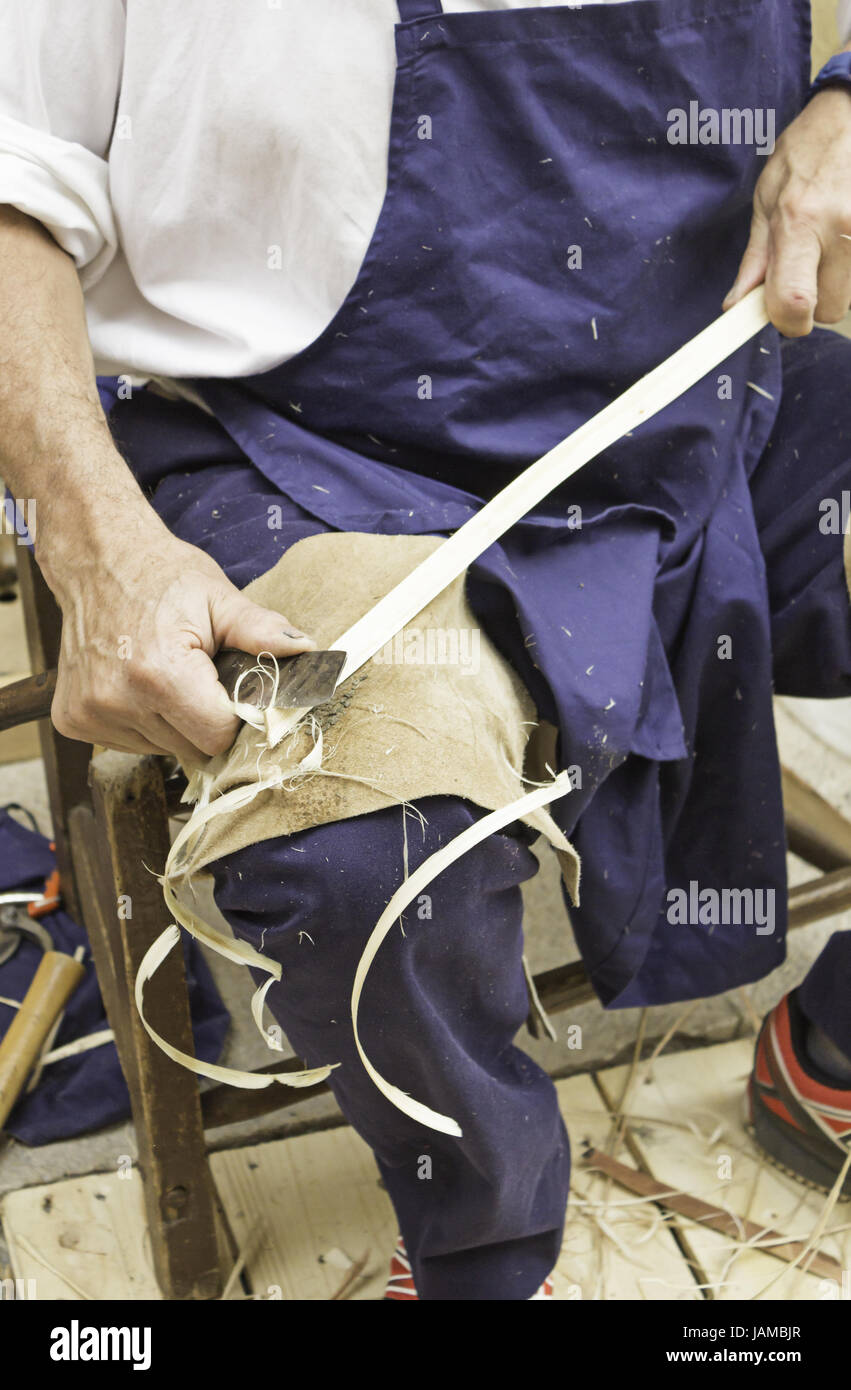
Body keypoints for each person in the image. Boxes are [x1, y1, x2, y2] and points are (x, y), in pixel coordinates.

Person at [1, 0, 850, 1300]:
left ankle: (831, 1042)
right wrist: (89, 532)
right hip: (300, 438)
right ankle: (482, 1239)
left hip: (702, 384)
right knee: (374, 854)